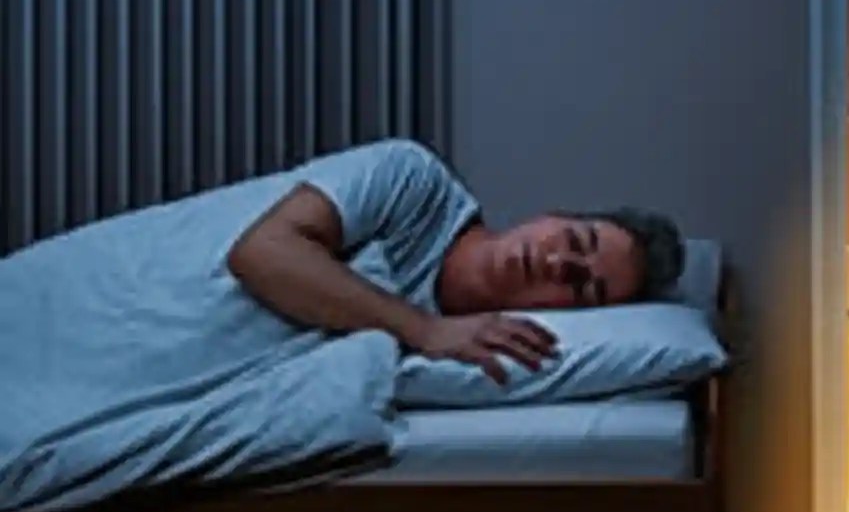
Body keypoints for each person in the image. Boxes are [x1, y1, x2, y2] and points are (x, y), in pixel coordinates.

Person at [226, 138, 685, 385]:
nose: (560, 262)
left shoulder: (477, 344)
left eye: (582, 286)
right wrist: (423, 330)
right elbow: (261, 252)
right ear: (551, 214)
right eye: (575, 239)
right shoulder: (412, 180)